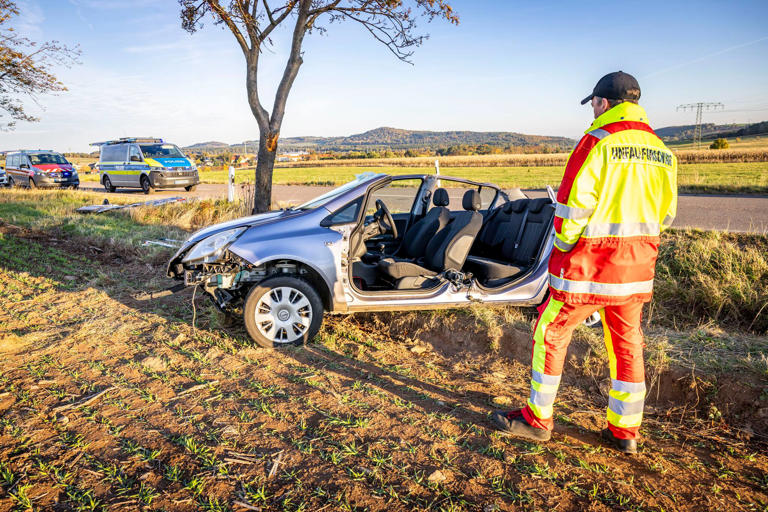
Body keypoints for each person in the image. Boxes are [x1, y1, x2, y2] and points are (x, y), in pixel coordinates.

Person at [492, 71, 678, 454]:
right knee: (628, 344)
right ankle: (625, 431)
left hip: (589, 268)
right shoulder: (662, 150)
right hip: (637, 268)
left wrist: (563, 245)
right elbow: (667, 213)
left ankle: (537, 419)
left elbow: (572, 207)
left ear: (603, 103)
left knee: (551, 332)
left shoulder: (597, 142)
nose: (592, 110)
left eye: (593, 103)